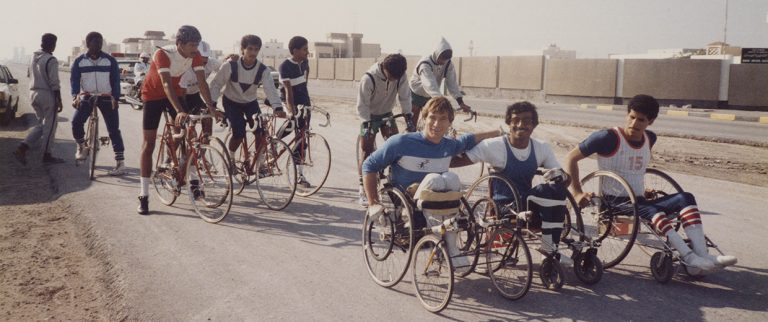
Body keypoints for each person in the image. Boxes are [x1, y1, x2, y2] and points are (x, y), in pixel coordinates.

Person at [564, 94, 737, 273]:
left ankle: (703, 255)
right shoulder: (606, 137)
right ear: (627, 114)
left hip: (639, 200)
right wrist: (577, 192)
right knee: (653, 211)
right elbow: (571, 157)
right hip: (615, 204)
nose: (634, 123)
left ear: (650, 121)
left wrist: (642, 188)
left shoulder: (650, 138)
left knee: (686, 198)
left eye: (641, 120)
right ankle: (688, 257)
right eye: (631, 117)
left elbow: (633, 168)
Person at [362, 96, 500, 267]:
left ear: (450, 123)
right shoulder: (401, 142)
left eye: (443, 119)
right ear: (423, 118)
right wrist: (373, 203)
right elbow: (369, 165)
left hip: (439, 202)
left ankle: (451, 246)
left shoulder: (449, 145)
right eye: (432, 117)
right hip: (407, 202)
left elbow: (469, 140)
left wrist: (498, 132)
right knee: (435, 178)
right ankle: (439, 236)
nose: (436, 124)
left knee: (451, 178)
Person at [452, 101, 573, 265]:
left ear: (534, 125)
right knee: (546, 190)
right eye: (515, 120)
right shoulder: (494, 146)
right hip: (505, 207)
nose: (521, 125)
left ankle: (550, 250)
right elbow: (459, 160)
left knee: (556, 189)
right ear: (508, 123)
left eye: (527, 121)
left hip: (527, 204)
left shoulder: (541, 147)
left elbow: (564, 179)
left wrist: (563, 177)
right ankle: (549, 250)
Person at [137, 25, 219, 215]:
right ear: (179, 44)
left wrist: (212, 108)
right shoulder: (162, 54)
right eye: (191, 45)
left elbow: (201, 82)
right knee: (148, 144)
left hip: (177, 93)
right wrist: (180, 111)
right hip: (153, 95)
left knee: (188, 137)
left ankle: (191, 180)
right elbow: (165, 83)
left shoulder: (195, 55)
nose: (195, 48)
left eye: (197, 44)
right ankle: (144, 194)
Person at [209, 34, 284, 174]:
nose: (253, 53)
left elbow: (270, 90)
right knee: (239, 132)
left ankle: (259, 163)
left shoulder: (263, 70)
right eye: (250, 49)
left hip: (250, 102)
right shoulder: (230, 66)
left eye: (256, 49)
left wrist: (278, 107)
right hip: (231, 102)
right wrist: (212, 104)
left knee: (261, 132)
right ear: (242, 49)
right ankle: (230, 159)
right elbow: (216, 84)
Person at [355, 53, 413, 206]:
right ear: (384, 68)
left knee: (397, 147)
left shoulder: (400, 75)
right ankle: (362, 188)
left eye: (397, 77)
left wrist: (408, 115)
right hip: (369, 116)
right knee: (366, 150)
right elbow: (362, 105)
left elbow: (405, 96)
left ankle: (397, 183)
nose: (394, 79)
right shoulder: (368, 78)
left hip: (387, 113)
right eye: (391, 76)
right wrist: (367, 124)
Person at [70, 31, 126, 175]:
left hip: (106, 97)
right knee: (76, 122)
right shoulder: (79, 61)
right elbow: (75, 80)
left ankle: (120, 163)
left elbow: (115, 81)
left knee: (114, 129)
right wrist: (75, 95)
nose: (99, 46)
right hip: (87, 96)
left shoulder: (110, 60)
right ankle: (82, 145)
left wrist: (116, 97)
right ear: (88, 44)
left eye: (101, 43)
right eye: (96, 43)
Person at [13, 33, 64, 165]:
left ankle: (22, 147)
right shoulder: (51, 59)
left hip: (33, 93)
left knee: (42, 124)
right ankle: (47, 155)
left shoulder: (32, 57)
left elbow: (28, 74)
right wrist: (59, 99)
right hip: (46, 94)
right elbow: (54, 82)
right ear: (52, 44)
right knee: (50, 126)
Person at [408, 37, 471, 127]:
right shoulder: (425, 64)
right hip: (416, 93)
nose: (443, 62)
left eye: (445, 60)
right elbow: (430, 85)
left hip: (431, 96)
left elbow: (452, 83)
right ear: (437, 54)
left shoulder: (448, 63)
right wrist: (443, 101)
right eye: (442, 59)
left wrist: (460, 102)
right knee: (412, 125)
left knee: (430, 124)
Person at [278, 36, 312, 188]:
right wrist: (292, 112)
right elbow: (288, 92)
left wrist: (308, 104)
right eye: (305, 49)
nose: (307, 52)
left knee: (302, 137)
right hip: (288, 99)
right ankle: (273, 142)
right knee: (292, 124)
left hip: (304, 101)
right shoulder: (285, 66)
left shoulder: (305, 63)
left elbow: (304, 84)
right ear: (295, 51)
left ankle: (299, 174)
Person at [179, 41, 220, 138]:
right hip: (180, 95)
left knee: (207, 118)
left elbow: (226, 69)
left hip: (194, 95)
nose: (202, 65)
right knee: (182, 130)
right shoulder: (186, 67)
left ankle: (204, 145)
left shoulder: (212, 63)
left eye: (205, 62)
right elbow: (182, 93)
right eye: (200, 61)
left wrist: (231, 60)